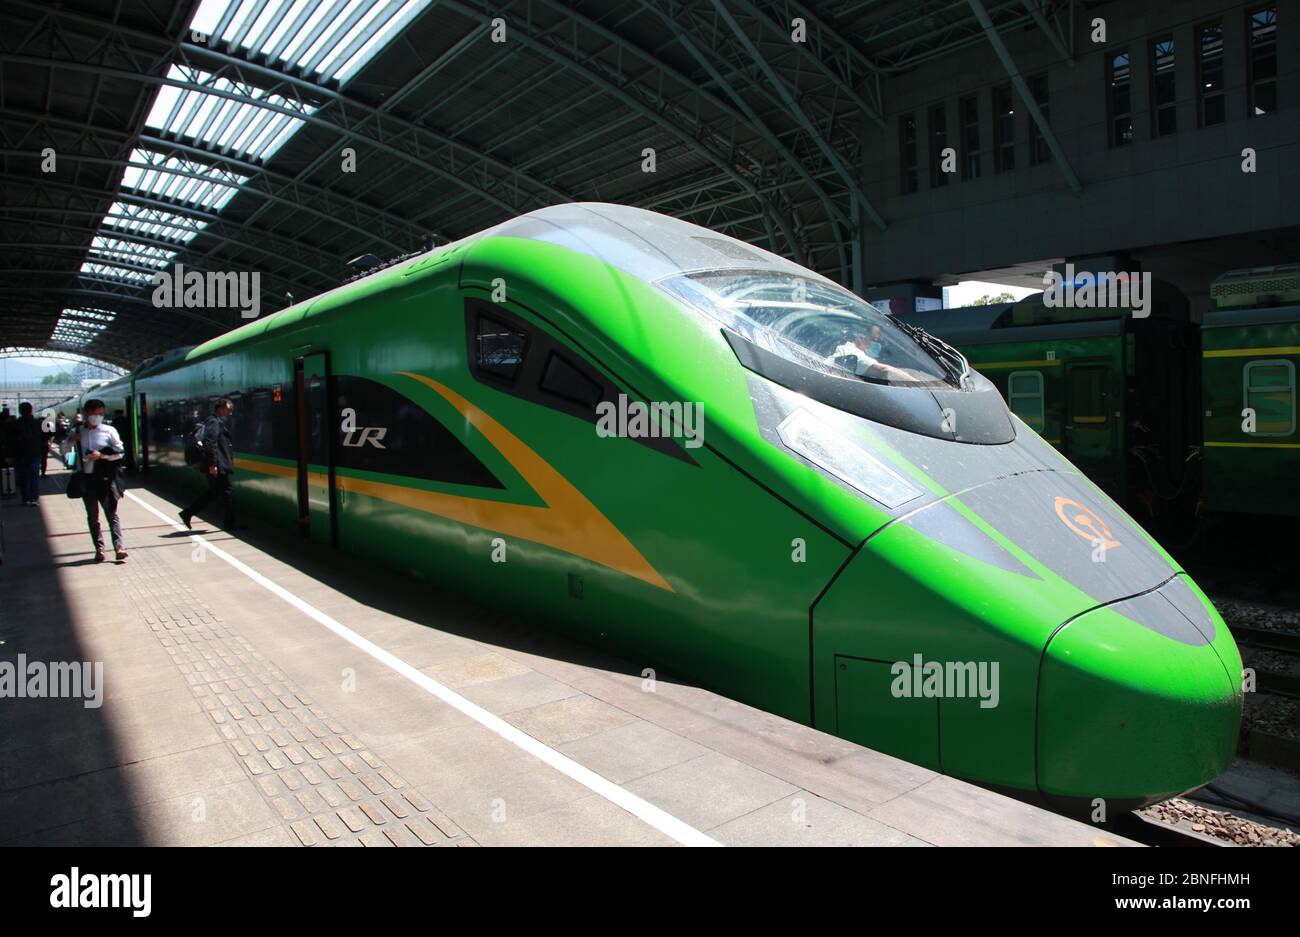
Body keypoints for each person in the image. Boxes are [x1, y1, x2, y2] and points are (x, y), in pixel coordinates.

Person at [68, 398, 128, 562]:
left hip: (106, 479)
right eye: (95, 414)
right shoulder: (77, 431)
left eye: (101, 414)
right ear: (86, 413)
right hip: (86, 480)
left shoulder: (109, 430)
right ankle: (99, 548)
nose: (98, 417)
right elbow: (66, 453)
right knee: (93, 516)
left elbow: (121, 452)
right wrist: (71, 441)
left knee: (112, 514)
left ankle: (119, 547)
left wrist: (101, 455)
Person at [179, 398, 237, 530]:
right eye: (228, 410)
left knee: (214, 492)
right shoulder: (214, 422)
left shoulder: (214, 421)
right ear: (220, 409)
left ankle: (188, 513)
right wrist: (213, 465)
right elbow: (210, 443)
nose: (230, 413)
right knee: (227, 492)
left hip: (217, 464)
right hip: (218, 465)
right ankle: (229, 524)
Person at [12, 402, 46, 505]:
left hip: (20, 454)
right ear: (31, 410)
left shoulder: (15, 424)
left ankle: (25, 498)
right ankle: (34, 498)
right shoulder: (38, 423)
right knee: (34, 476)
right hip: (35, 453)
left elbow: (11, 440)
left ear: (20, 411)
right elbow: (45, 436)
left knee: (23, 477)